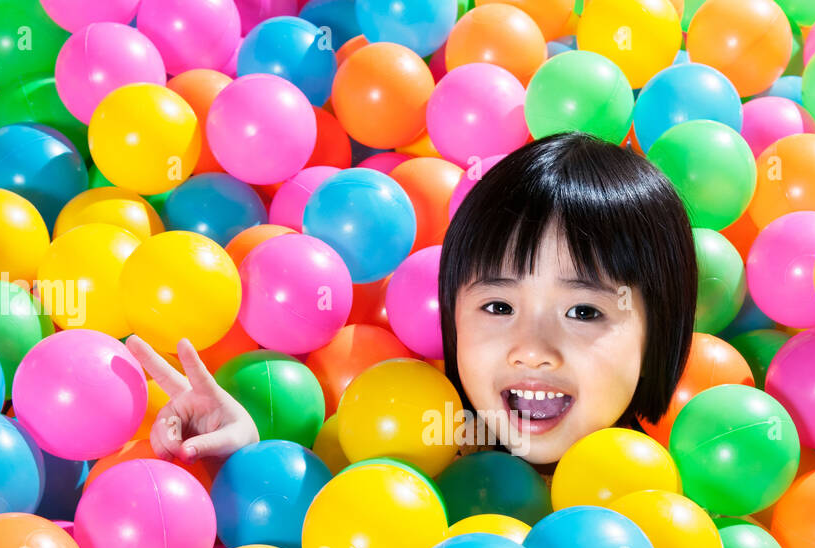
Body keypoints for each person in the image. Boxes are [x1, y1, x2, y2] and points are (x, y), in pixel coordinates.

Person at [127, 130, 700, 479]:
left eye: (584, 312)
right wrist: (241, 462)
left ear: (661, 332)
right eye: (498, 307)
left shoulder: (674, 516)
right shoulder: (408, 452)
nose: (532, 351)